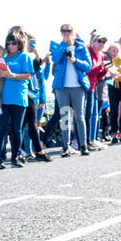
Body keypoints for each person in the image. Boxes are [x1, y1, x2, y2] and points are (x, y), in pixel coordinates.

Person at [0, 31, 33, 169]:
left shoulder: (24, 57)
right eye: (8, 43)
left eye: (13, 43)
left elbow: (27, 76)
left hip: (19, 98)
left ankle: (14, 158)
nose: (10, 45)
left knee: (16, 130)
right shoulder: (2, 58)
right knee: (1, 129)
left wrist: (11, 75)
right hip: (2, 99)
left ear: (19, 44)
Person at [49, 23, 92, 157]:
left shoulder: (81, 47)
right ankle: (66, 147)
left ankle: (83, 145)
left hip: (78, 87)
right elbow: (55, 59)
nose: (66, 33)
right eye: (63, 31)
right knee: (65, 116)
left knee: (79, 116)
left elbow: (88, 67)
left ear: (73, 32)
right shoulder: (58, 46)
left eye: (68, 31)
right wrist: (63, 46)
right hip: (62, 87)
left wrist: (75, 61)